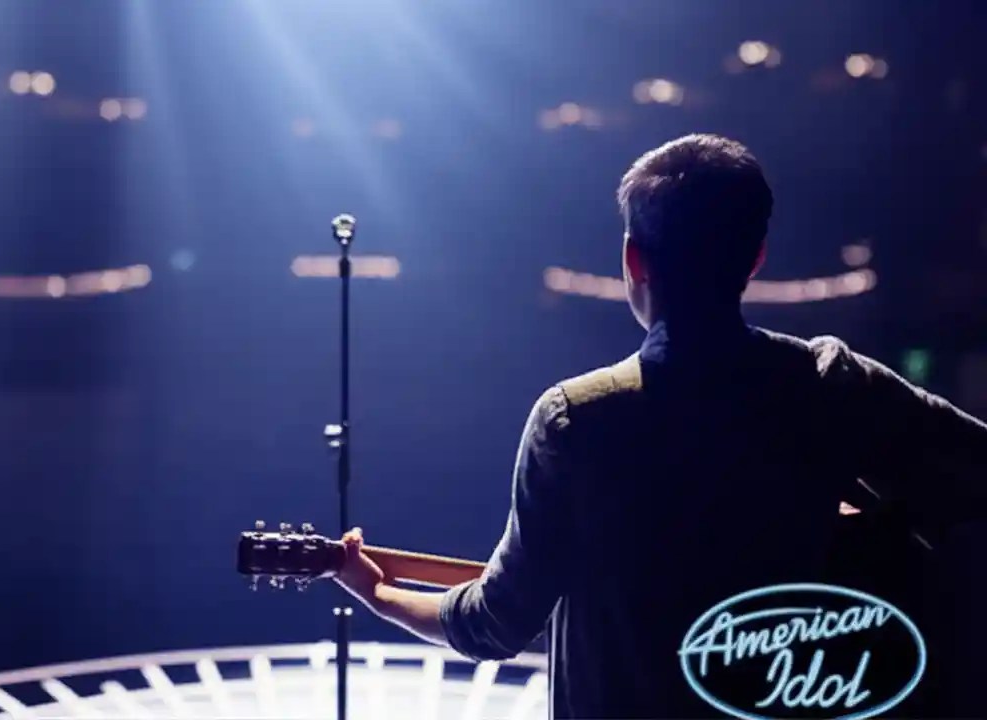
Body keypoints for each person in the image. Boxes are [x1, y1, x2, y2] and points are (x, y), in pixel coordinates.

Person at [333, 134, 987, 718]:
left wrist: (378, 592)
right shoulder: (829, 385)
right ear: (755, 257)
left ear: (632, 259)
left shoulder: (574, 421)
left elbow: (494, 625)